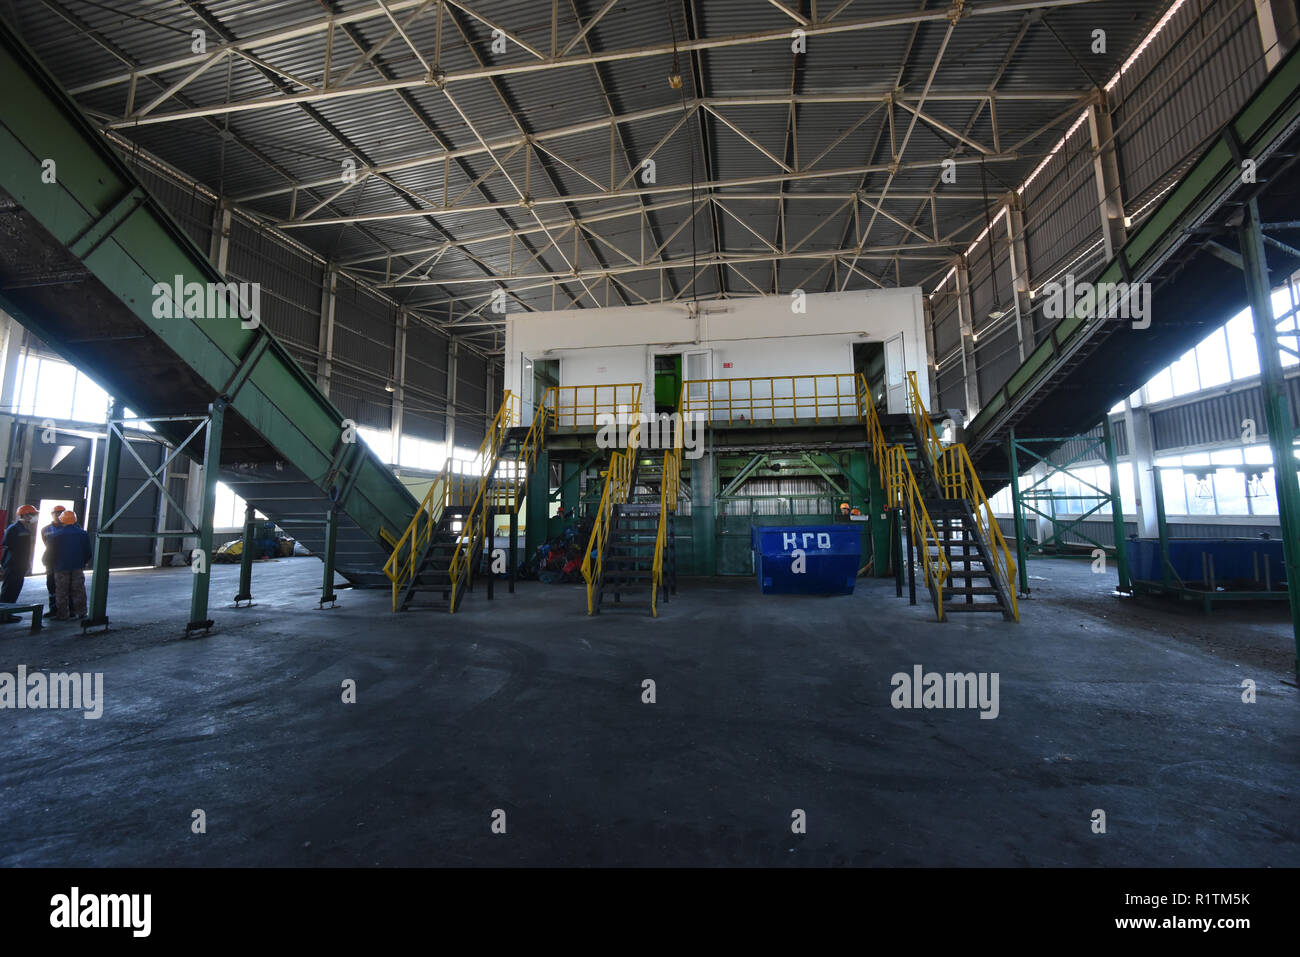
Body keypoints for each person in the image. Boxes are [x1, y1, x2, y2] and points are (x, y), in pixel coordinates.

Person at [48, 510, 92, 622]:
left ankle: (63, 614)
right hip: (77, 566)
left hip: (61, 567)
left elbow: (51, 552)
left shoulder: (56, 535)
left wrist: (49, 564)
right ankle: (81, 613)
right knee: (79, 590)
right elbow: (88, 551)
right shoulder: (83, 533)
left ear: (62, 520)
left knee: (62, 591)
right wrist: (83, 562)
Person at [0, 504, 39, 621]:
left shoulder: (24, 529)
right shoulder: (14, 528)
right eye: (33, 515)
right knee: (8, 590)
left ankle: (8, 613)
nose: (34, 517)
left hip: (20, 565)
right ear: (26, 515)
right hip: (13, 565)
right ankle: (2, 615)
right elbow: (7, 545)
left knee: (15, 589)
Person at [41, 505, 65, 618]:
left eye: (61, 513)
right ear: (52, 514)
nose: (59, 515)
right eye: (57, 513)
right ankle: (53, 609)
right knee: (51, 586)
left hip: (64, 561)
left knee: (65, 586)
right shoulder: (45, 529)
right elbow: (46, 544)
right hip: (51, 562)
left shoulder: (68, 528)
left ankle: (66, 609)